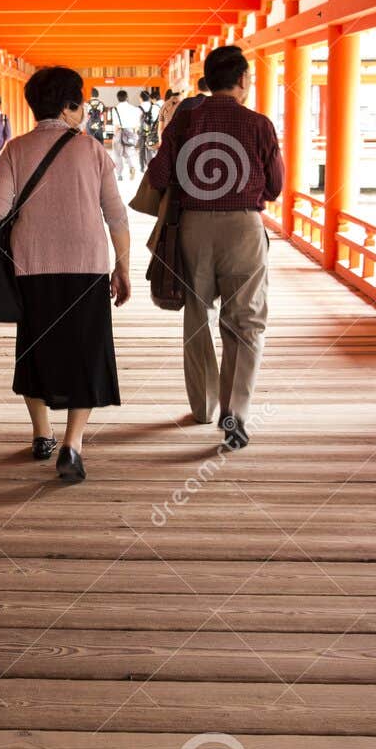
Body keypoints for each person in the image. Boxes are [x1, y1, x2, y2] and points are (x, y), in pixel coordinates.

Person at [0, 66, 131, 484]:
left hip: (32, 266)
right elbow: (116, 215)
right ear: (69, 106)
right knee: (85, 351)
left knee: (35, 348)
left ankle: (40, 434)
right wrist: (122, 266)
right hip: (87, 268)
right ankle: (72, 445)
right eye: (80, 100)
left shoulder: (15, 149)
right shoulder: (92, 150)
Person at [147, 45, 282, 452]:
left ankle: (203, 406)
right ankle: (235, 414)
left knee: (196, 315)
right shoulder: (259, 124)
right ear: (242, 81)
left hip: (193, 226)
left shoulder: (188, 119)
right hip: (243, 226)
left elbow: (158, 173)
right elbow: (274, 187)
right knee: (246, 322)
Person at [110, 89, 141, 182]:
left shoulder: (115, 109)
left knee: (117, 154)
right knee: (128, 153)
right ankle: (132, 167)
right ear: (127, 97)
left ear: (118, 98)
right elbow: (137, 124)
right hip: (130, 132)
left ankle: (119, 174)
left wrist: (115, 136)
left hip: (119, 131)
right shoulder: (133, 108)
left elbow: (115, 125)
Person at [137, 89, 160, 172]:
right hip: (152, 132)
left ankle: (142, 167)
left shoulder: (138, 108)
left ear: (140, 98)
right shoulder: (155, 107)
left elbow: (136, 122)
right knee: (151, 149)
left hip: (142, 132)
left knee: (141, 150)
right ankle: (151, 166)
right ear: (149, 98)